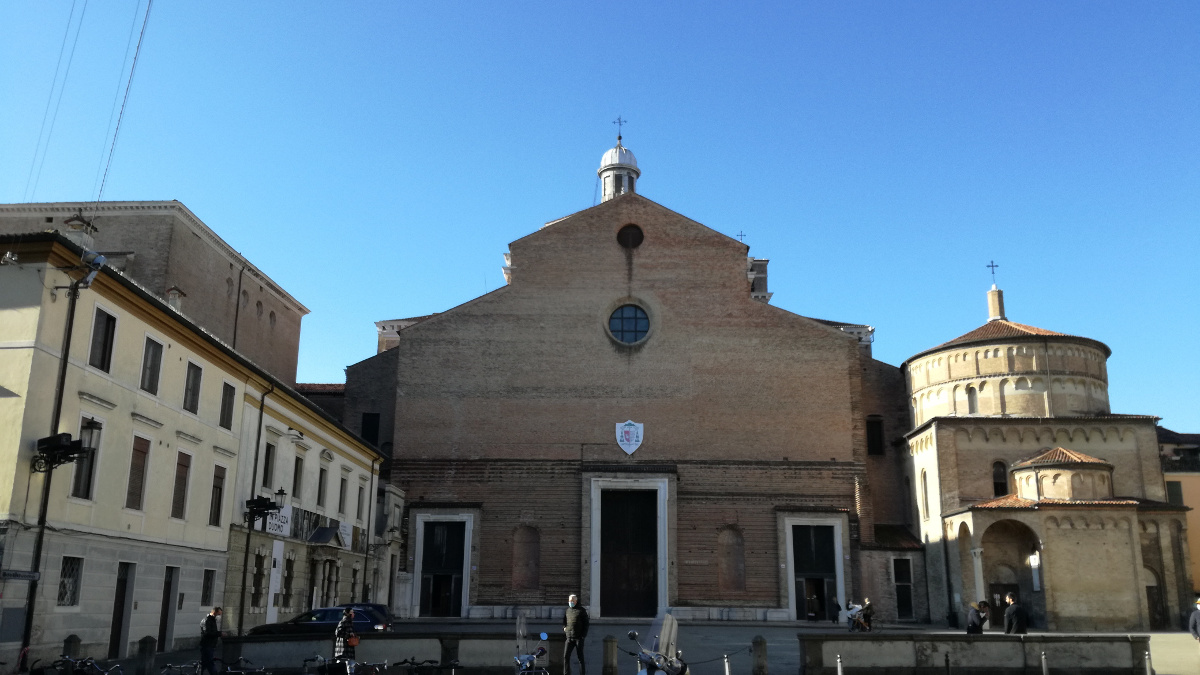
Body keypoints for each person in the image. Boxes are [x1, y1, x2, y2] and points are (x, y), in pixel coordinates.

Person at [563, 594, 589, 675]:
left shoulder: (581, 611)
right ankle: (566, 673)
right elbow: (564, 621)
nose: (570, 602)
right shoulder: (567, 610)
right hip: (569, 638)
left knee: (580, 658)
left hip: (578, 638)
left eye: (572, 601)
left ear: (576, 601)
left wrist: (582, 636)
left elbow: (586, 624)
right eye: (569, 601)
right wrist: (564, 628)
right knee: (566, 657)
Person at [200, 607, 223, 675]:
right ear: (214, 613)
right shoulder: (207, 620)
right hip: (207, 644)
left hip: (210, 644)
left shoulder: (212, 620)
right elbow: (207, 633)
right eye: (218, 614)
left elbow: (212, 631)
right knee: (209, 662)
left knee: (205, 662)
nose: (219, 616)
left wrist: (219, 633)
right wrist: (219, 633)